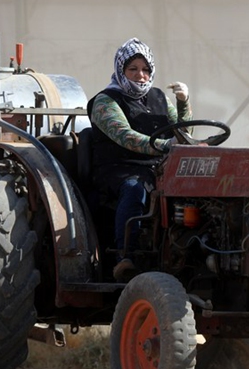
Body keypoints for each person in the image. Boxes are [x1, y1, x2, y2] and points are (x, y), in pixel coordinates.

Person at [88, 38, 193, 282]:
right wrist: (165, 146)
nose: (141, 75)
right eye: (133, 69)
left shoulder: (159, 98)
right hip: (119, 168)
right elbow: (125, 136)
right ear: (121, 70)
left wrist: (183, 103)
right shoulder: (105, 101)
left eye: (145, 69)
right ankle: (127, 256)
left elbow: (183, 134)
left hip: (157, 167)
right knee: (135, 188)